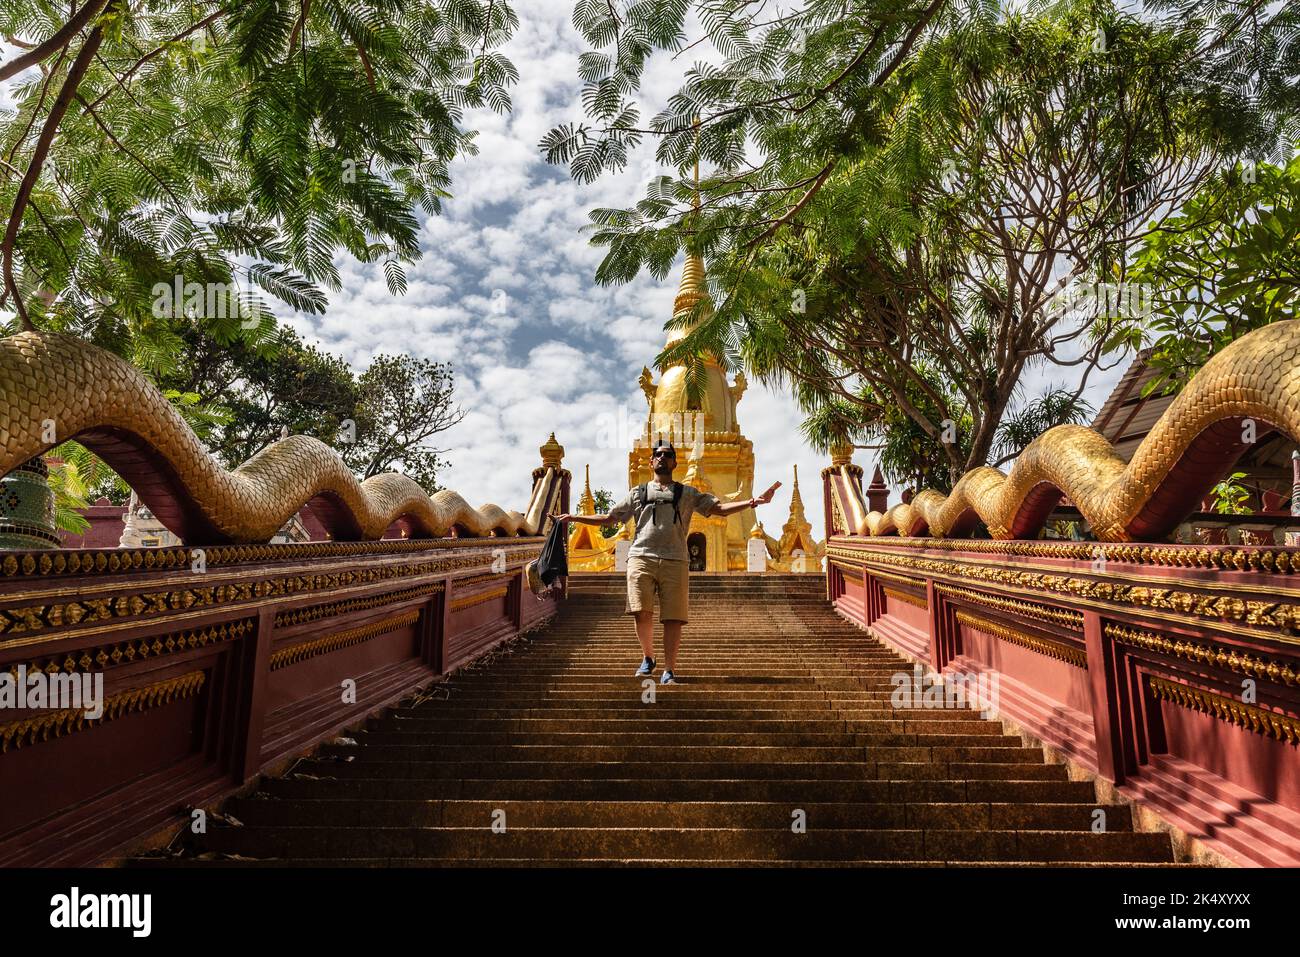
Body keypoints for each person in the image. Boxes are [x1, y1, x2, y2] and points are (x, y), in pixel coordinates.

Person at [556, 439, 780, 684]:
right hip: (641, 556)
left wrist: (752, 502)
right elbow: (610, 518)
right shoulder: (638, 492)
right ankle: (648, 657)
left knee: (673, 617)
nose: (662, 458)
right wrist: (574, 517)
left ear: (674, 462)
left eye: (667, 455)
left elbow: (720, 509)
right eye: (658, 455)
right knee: (640, 610)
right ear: (651, 462)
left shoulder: (687, 493)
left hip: (675, 558)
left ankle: (669, 669)